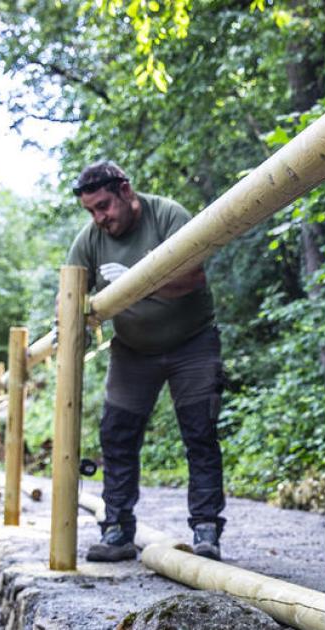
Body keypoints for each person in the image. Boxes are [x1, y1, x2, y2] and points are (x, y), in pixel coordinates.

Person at [66, 160, 226, 563]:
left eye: (104, 206)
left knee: (199, 433)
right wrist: (71, 326)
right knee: (116, 436)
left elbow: (192, 277)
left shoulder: (168, 215)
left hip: (192, 343)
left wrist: (136, 280)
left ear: (125, 189)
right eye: (91, 211)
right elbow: (69, 294)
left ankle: (206, 530)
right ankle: (118, 529)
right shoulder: (90, 240)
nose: (100, 218)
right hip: (133, 351)